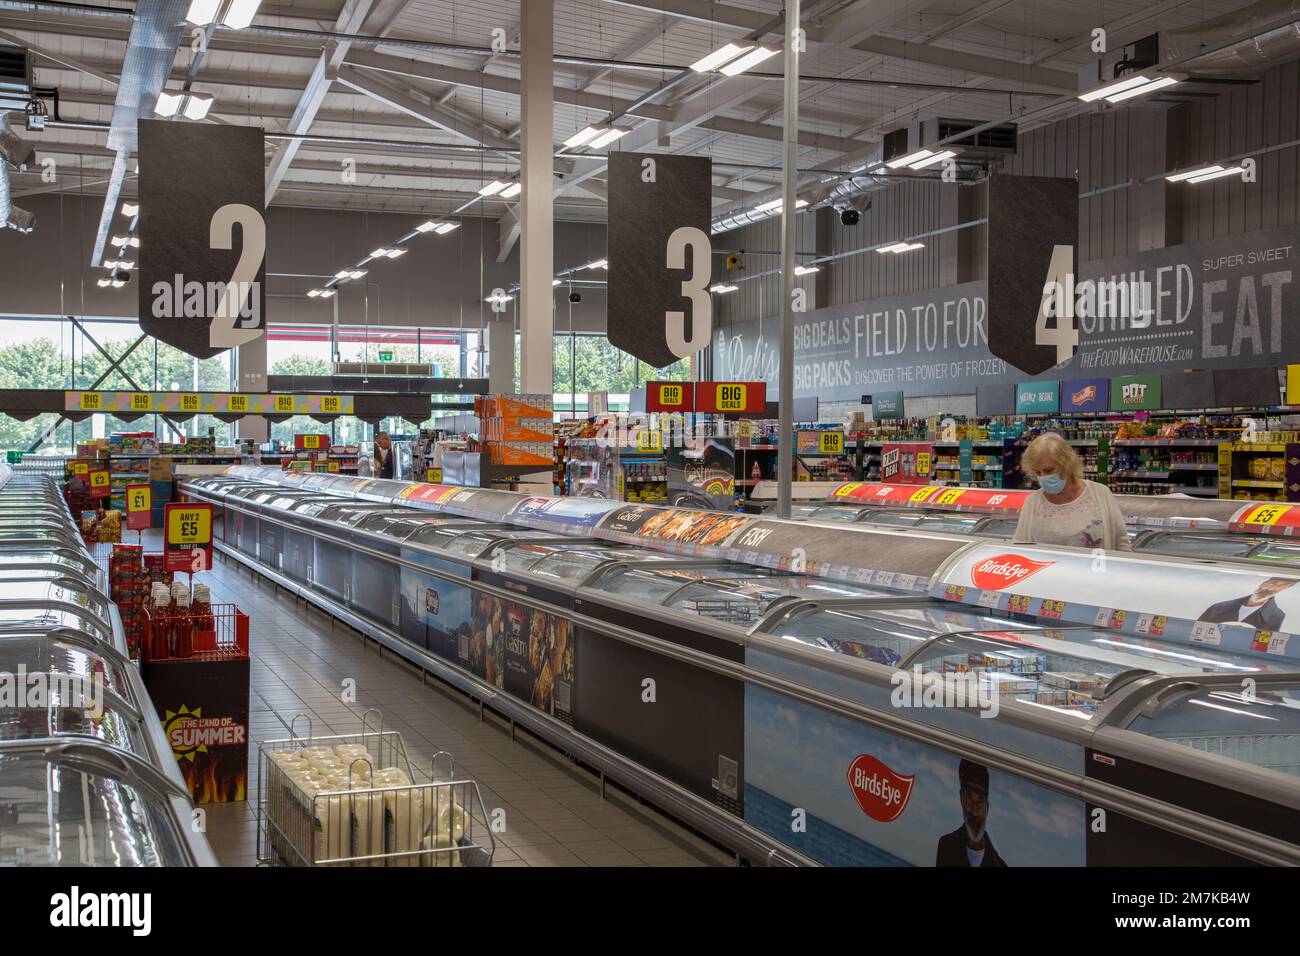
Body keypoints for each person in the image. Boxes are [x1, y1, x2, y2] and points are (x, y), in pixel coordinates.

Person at [1013, 432, 1131, 551]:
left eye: (1049, 470)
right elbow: (1020, 547)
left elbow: (1121, 540)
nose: (1043, 477)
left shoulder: (1100, 493)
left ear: (1067, 463)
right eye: (1038, 473)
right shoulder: (1033, 502)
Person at [936, 759, 1006, 867]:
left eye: (979, 802)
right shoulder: (946, 846)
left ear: (987, 808)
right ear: (961, 800)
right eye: (969, 801)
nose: (974, 812)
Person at [1198, 576, 1297, 631]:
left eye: (1280, 586)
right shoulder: (1218, 607)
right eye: (1274, 582)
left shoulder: (1276, 616)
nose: (1271, 588)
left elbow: (1266, 646)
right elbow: (1194, 632)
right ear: (1264, 581)